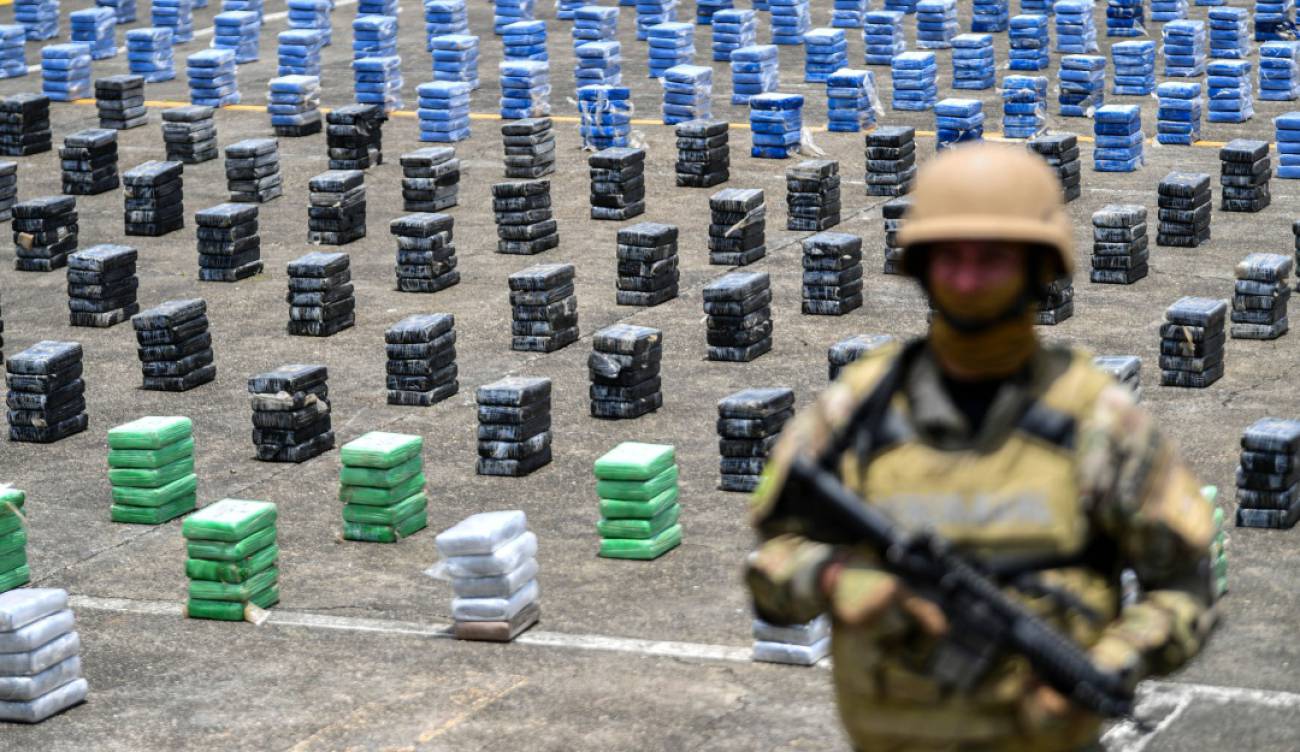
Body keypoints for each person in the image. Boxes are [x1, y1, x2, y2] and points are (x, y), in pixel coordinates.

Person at [745, 143, 1218, 752]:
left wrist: (1109, 664)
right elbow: (769, 561)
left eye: (992, 259)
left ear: (1038, 268)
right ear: (921, 266)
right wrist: (832, 577)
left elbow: (1186, 585)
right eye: (950, 258)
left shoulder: (1098, 419)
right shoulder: (859, 407)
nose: (967, 281)